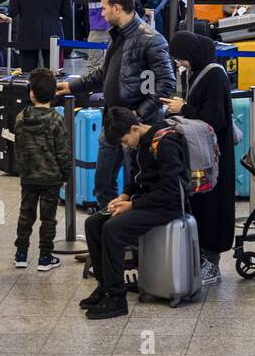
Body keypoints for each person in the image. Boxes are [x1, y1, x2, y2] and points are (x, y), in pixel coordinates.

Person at [63, 0, 176, 211]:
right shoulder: (117, 35)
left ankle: (128, 238)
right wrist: (71, 85)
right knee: (103, 182)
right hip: (113, 120)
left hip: (137, 127)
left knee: (134, 185)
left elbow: (166, 84)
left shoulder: (151, 39)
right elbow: (104, 74)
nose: (102, 13)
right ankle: (110, 228)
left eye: (104, 8)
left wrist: (138, 115)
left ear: (117, 8)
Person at [79, 106, 189, 320]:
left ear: (134, 128)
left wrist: (133, 205)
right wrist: (125, 196)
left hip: (167, 206)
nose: (124, 145)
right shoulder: (140, 144)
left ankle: (117, 297)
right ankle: (105, 287)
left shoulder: (165, 143)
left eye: (124, 140)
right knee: (93, 223)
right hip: (146, 202)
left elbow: (171, 191)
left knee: (113, 229)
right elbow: (137, 178)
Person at [162, 32, 235, 285]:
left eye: (182, 58)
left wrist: (183, 109)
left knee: (213, 207)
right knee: (203, 206)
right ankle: (202, 258)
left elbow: (214, 118)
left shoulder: (214, 75)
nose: (180, 64)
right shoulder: (201, 72)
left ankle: (211, 264)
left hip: (213, 156)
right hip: (202, 155)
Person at [10, 68, 70, 273]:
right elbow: (62, 151)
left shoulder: (20, 118)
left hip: (28, 176)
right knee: (48, 218)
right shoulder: (56, 119)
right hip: (51, 177)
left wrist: (23, 170)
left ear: (31, 93)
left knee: (25, 215)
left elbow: (18, 147)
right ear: (54, 93)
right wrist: (66, 175)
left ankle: (21, 254)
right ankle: (45, 256)